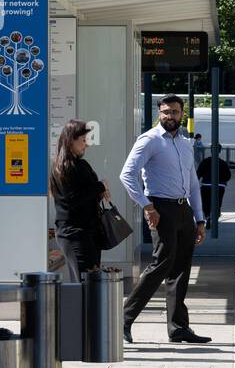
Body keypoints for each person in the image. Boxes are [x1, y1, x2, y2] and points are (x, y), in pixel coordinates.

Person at [119, 95, 210, 344]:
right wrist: (147, 207)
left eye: (175, 112)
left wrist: (199, 220)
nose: (170, 116)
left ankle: (179, 327)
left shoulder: (185, 143)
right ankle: (123, 321)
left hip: (184, 211)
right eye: (166, 112)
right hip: (161, 207)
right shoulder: (149, 140)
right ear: (159, 113)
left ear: (182, 114)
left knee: (181, 269)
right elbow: (127, 175)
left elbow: (193, 184)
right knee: (161, 264)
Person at [50, 119, 110, 282]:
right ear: (70, 140)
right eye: (83, 140)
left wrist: (99, 191)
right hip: (76, 233)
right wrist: (100, 187)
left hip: (85, 232)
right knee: (85, 282)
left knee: (88, 281)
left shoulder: (74, 165)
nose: (86, 145)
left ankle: (86, 308)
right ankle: (82, 309)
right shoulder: (67, 167)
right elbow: (73, 199)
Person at [197, 153, 232, 220]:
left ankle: (207, 216)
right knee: (217, 203)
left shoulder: (205, 161)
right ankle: (216, 216)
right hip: (220, 186)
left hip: (206, 185)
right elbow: (228, 176)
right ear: (220, 151)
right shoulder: (223, 163)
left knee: (206, 202)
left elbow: (198, 174)